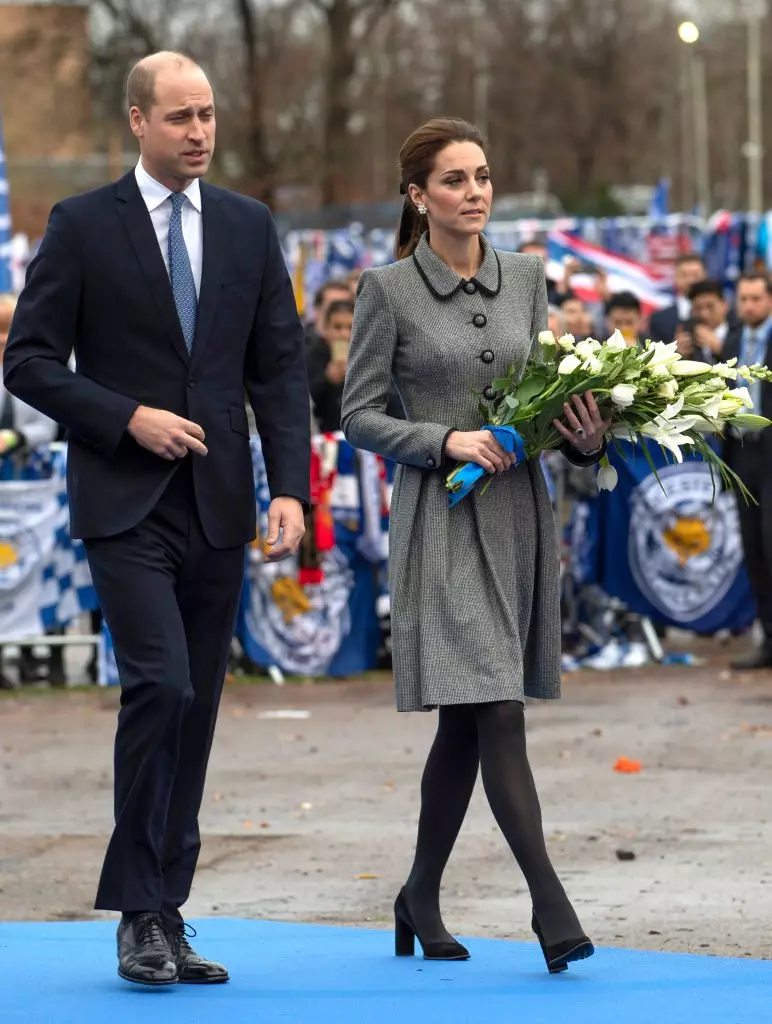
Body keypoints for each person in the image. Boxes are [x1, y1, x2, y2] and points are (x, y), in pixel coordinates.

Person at [4, 52, 309, 986]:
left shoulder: (251, 228)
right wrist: (123, 415)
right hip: (123, 501)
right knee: (162, 688)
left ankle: (168, 909)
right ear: (137, 121)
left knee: (200, 710)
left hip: (219, 504)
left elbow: (279, 372)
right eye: (180, 116)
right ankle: (137, 909)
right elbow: (29, 360)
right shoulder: (84, 225)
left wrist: (290, 489)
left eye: (208, 115)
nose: (199, 132)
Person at [342, 118, 605, 974]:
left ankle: (419, 893)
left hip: (520, 519)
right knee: (495, 707)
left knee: (466, 723)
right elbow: (357, 416)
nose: (476, 192)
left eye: (483, 176)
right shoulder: (387, 289)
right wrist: (444, 441)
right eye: (455, 180)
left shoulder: (529, 278)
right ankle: (550, 906)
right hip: (444, 523)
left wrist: (589, 440)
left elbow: (548, 407)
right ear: (419, 197)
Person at [0, 294, 59, 690]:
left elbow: (50, 425)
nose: (4, 338)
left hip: (37, 493)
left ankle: (51, 658)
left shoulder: (37, 369)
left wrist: (17, 437)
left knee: (48, 567)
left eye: (9, 329)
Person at [722, 272, 772, 669]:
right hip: (743, 455)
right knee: (753, 547)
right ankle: (768, 639)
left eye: (756, 298)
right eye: (744, 298)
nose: (749, 305)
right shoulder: (734, 340)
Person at [307, 298, 355, 433]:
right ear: (326, 329)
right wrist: (326, 379)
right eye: (337, 327)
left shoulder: (372, 356)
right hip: (324, 435)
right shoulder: (312, 356)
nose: (344, 334)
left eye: (350, 327)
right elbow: (303, 400)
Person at [648, 252, 706, 342]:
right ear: (675, 278)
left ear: (705, 277)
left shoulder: (725, 315)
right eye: (684, 275)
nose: (690, 281)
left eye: (695, 275)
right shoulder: (659, 320)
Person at [674, 279, 731, 363]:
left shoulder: (739, 332)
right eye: (698, 308)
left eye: (710, 306)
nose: (704, 314)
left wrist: (721, 350)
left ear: (724, 304)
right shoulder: (687, 333)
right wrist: (678, 355)